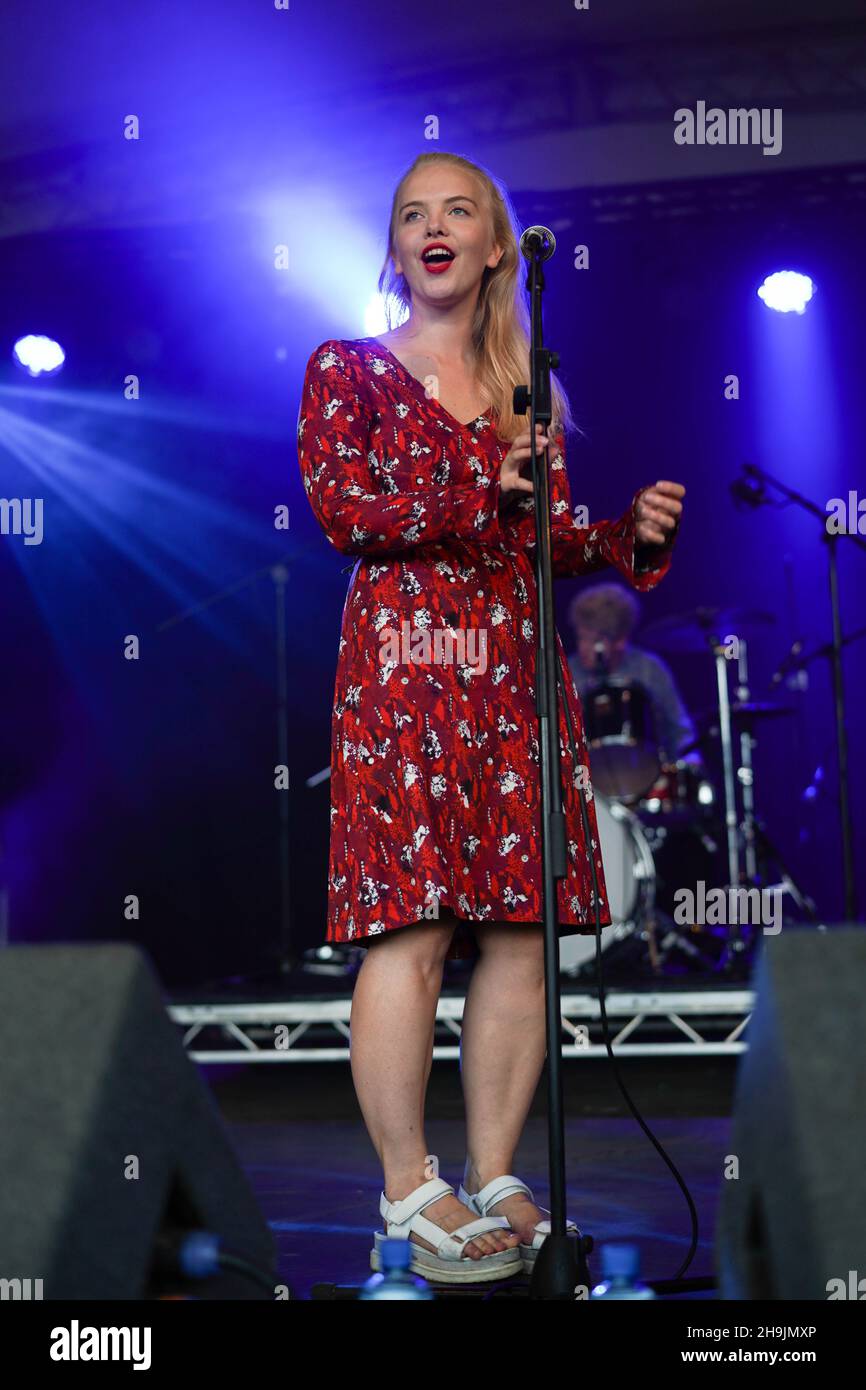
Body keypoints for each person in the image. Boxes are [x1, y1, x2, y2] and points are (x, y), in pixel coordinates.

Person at [297, 150, 684, 1283]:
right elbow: (339, 505)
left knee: (520, 932)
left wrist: (622, 539)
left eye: (456, 209)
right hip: (407, 675)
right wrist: (479, 490)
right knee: (409, 929)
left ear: (495, 244)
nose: (432, 225)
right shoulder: (348, 370)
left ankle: (495, 1168)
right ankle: (409, 1184)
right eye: (411, 212)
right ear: (396, 247)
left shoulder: (530, 391)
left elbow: (540, 542)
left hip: (511, 673)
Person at [567, 582, 697, 763]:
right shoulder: (567, 672)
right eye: (581, 638)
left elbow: (679, 730)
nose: (583, 647)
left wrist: (689, 764)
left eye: (593, 640)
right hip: (583, 780)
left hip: (648, 776)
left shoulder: (649, 669)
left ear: (620, 640)